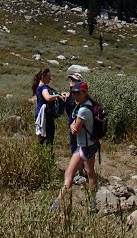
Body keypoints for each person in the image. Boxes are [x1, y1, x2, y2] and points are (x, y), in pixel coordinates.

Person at [52, 81, 98, 214]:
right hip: (92, 144)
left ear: (84, 93)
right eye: (74, 93)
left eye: (78, 93)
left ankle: (58, 202)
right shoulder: (90, 104)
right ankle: (92, 203)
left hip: (83, 146)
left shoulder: (83, 110)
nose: (75, 96)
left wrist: (72, 126)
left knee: (69, 173)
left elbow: (75, 130)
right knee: (90, 173)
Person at [31, 68, 63, 147]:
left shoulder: (38, 87)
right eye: (49, 77)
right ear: (43, 77)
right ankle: (48, 155)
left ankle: (40, 154)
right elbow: (47, 97)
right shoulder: (43, 87)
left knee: (41, 138)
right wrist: (57, 96)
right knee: (49, 138)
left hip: (40, 113)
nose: (50, 79)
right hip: (46, 116)